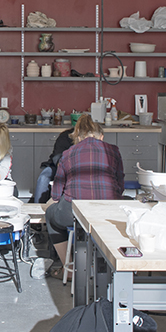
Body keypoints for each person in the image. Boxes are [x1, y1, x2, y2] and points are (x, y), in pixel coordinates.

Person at [44, 114, 124, 278]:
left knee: (51, 215)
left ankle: (69, 269)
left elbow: (57, 193)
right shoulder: (114, 151)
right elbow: (120, 186)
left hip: (74, 212)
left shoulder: (68, 153)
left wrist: (51, 203)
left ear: (78, 138)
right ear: (101, 136)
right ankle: (111, 265)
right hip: (107, 212)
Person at [33, 127, 75, 203]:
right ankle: (38, 206)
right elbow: (57, 158)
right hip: (57, 166)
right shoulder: (65, 136)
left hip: (77, 168)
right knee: (43, 177)